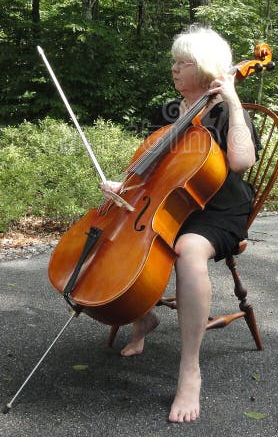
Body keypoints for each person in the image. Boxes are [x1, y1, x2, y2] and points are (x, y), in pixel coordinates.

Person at [100, 25, 260, 423]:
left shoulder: (225, 112)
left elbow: (241, 163)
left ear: (206, 68)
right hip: (171, 205)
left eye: (182, 62)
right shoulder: (170, 113)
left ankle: (190, 369)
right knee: (124, 241)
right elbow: (154, 175)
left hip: (219, 212)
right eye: (174, 61)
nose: (173, 68)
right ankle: (143, 315)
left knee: (187, 248)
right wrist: (123, 185)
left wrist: (236, 104)